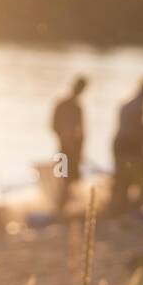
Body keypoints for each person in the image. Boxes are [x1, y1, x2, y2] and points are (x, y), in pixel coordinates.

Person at [112, 78, 143, 210]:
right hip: (127, 143)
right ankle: (128, 204)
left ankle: (120, 203)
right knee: (135, 172)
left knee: (121, 175)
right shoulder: (140, 103)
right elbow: (137, 127)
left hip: (119, 140)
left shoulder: (129, 102)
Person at [50, 76, 87, 209]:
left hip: (72, 149)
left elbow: (81, 132)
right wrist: (65, 141)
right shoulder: (68, 106)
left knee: (68, 178)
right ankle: (60, 208)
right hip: (66, 149)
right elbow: (54, 126)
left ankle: (62, 208)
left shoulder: (75, 107)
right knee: (64, 177)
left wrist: (78, 150)